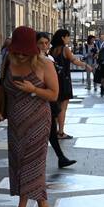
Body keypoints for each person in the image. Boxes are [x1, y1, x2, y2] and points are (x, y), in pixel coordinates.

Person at [0, 26, 57, 207]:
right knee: (19, 164)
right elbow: (1, 85)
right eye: (16, 51)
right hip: (16, 122)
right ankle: (44, 206)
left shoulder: (45, 65)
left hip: (38, 121)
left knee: (31, 165)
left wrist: (34, 89)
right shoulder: (8, 61)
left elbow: (54, 95)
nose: (19, 56)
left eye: (23, 53)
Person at [38, 32, 76, 169]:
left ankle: (61, 157)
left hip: (50, 96)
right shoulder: (35, 59)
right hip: (39, 99)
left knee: (51, 130)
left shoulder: (49, 57)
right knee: (48, 130)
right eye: (41, 43)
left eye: (46, 43)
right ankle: (59, 157)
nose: (44, 45)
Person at [51, 29, 87, 139]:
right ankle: (61, 132)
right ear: (63, 37)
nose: (69, 39)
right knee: (63, 108)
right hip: (64, 80)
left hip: (54, 79)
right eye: (68, 36)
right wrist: (85, 65)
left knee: (56, 107)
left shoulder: (52, 50)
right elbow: (74, 60)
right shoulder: (65, 49)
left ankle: (54, 130)